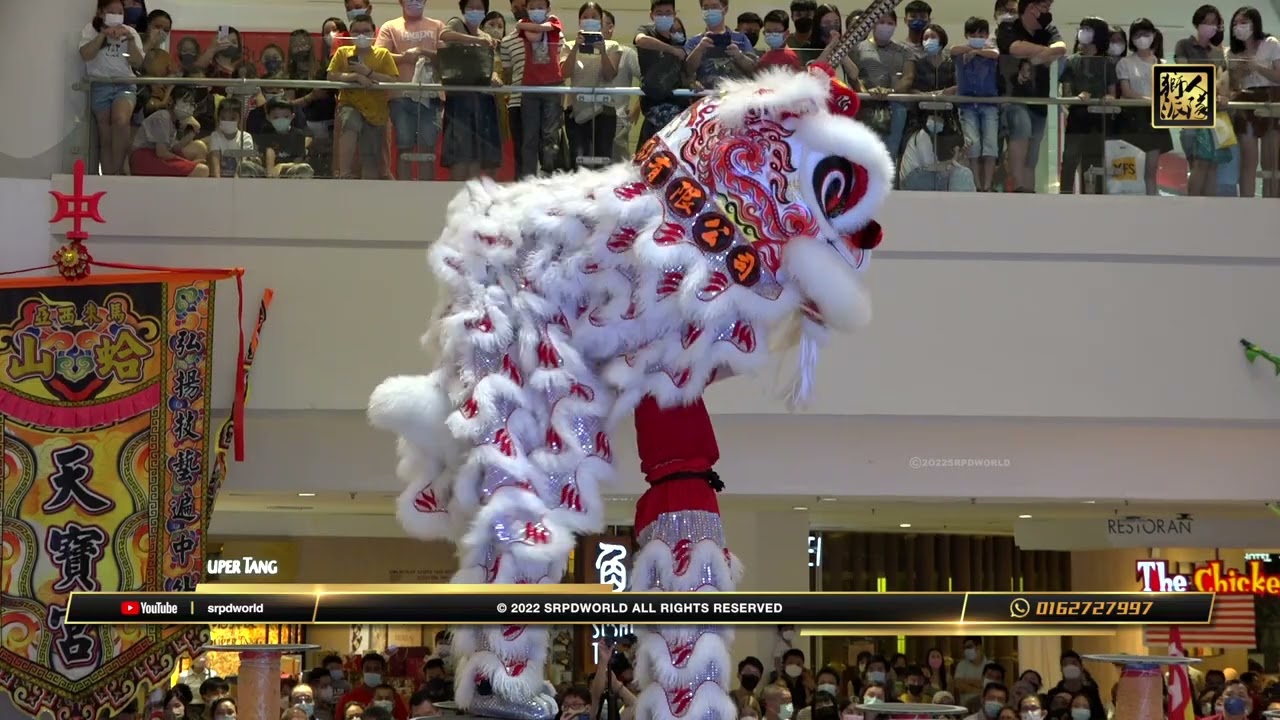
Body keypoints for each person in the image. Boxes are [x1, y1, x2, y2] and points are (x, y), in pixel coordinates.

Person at [996, 0, 1065, 192]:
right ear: (1031, 8)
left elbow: (1061, 48)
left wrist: (1031, 57)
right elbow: (1014, 48)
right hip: (1013, 98)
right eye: (1044, 7)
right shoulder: (1008, 27)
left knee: (1033, 150)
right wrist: (1043, 54)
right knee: (1021, 130)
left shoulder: (1049, 30)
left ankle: (1029, 189)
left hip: (1039, 99)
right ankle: (1017, 186)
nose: (1046, 12)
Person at [377, 0, 445, 181]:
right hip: (400, 96)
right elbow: (379, 57)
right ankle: (403, 192)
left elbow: (447, 58)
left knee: (427, 147)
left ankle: (425, 193)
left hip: (431, 96)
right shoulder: (390, 26)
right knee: (404, 146)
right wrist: (403, 57)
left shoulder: (437, 26)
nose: (414, 2)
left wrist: (424, 52)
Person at [439, 0, 504, 179]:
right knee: (460, 153)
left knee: (476, 153)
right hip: (459, 98)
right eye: (470, 7)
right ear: (463, 9)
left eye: (479, 8)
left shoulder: (487, 37)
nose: (475, 11)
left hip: (482, 99)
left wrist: (494, 77)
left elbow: (487, 67)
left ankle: (473, 201)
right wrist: (476, 40)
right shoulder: (457, 23)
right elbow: (444, 35)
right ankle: (456, 196)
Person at [328, 13, 398, 179]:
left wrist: (369, 73)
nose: (361, 35)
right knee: (350, 122)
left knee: (371, 153)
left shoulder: (383, 54)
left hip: (376, 112)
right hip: (350, 103)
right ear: (350, 34)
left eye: (366, 31)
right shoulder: (342, 52)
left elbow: (392, 79)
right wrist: (354, 76)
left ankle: (369, 186)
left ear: (374, 33)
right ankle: (344, 173)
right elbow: (331, 76)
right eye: (356, 31)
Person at [82, 0, 144, 176]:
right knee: (105, 133)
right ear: (101, 12)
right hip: (100, 85)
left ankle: (117, 170)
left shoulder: (130, 32)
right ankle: (109, 176)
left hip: (124, 84)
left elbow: (138, 62)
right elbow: (85, 54)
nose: (117, 15)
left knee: (120, 120)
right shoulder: (90, 30)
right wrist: (103, 35)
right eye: (111, 11)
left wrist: (130, 39)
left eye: (120, 11)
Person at [1174, 5, 1230, 196]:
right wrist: (1210, 85)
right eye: (1206, 22)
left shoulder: (1217, 53)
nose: (1210, 26)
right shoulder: (1183, 45)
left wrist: (1223, 94)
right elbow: (1183, 74)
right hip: (1191, 111)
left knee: (1213, 164)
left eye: (1214, 23)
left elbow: (1222, 80)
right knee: (1198, 162)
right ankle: (1193, 208)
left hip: (1214, 114)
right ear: (1197, 23)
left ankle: (1210, 210)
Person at [1115, 17, 1172, 195]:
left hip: (1155, 120)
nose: (1142, 38)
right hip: (1133, 118)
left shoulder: (1162, 64)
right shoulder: (1125, 63)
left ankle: (1152, 205)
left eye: (1146, 34)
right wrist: (1148, 100)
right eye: (1137, 34)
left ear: (1153, 35)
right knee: (1132, 170)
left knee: (1151, 170)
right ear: (1132, 39)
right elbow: (1126, 91)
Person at [560, 2, 620, 168]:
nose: (589, 20)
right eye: (585, 17)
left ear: (601, 21)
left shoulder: (612, 45)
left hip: (604, 109)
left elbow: (610, 75)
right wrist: (576, 48)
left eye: (594, 17)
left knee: (603, 160)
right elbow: (564, 73)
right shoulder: (569, 45)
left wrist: (602, 52)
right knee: (578, 160)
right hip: (575, 109)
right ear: (579, 21)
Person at [1228, 6, 1280, 197]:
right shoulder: (1232, 52)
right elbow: (1233, 86)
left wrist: (1256, 67)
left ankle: (1272, 202)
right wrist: (1239, 73)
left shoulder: (1271, 43)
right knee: (1249, 161)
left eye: (1243, 22)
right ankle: (1247, 204)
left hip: (1271, 100)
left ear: (1254, 23)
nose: (1239, 27)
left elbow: (1278, 76)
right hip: (1246, 101)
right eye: (1235, 23)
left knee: (1271, 161)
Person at [853, 8, 913, 162]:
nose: (885, 26)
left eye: (890, 23)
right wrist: (867, 92)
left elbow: (908, 77)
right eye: (881, 22)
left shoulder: (903, 51)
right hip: (866, 107)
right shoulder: (858, 48)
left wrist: (890, 91)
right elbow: (854, 76)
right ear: (873, 24)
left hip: (895, 109)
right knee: (864, 156)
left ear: (895, 25)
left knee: (889, 155)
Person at [515, 0, 564, 177]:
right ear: (526, 9)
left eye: (540, 7)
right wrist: (531, 25)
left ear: (548, 9)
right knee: (529, 135)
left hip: (552, 84)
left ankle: (549, 173)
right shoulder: (523, 24)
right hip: (530, 86)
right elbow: (533, 37)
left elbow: (548, 29)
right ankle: (528, 176)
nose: (536, 10)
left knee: (550, 133)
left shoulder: (554, 20)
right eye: (532, 7)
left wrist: (530, 25)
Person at [633, 0, 688, 148]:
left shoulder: (679, 37)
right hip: (654, 103)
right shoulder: (646, 31)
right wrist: (672, 50)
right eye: (659, 13)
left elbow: (684, 67)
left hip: (678, 103)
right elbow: (641, 41)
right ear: (651, 15)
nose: (664, 17)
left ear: (674, 14)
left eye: (668, 13)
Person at [130, 86, 209, 176]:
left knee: (199, 147)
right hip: (144, 158)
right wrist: (188, 163)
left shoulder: (173, 120)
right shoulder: (163, 117)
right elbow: (161, 153)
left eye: (192, 104)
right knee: (202, 170)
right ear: (171, 101)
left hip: (155, 155)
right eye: (185, 102)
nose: (189, 107)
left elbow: (174, 149)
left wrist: (193, 132)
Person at [683, 0, 757, 89]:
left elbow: (754, 70)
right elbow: (687, 71)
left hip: (736, 95)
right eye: (706, 8)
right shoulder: (693, 42)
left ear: (725, 9)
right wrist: (699, 49)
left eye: (714, 7)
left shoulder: (741, 39)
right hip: (705, 95)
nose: (710, 11)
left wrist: (739, 56)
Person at [337, 654, 408, 720]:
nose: (372, 672)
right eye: (367, 669)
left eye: (376, 669)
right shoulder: (348, 698)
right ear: (362, 671)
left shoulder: (393, 697)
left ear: (383, 671)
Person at [208, 97, 263, 178]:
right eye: (223, 118)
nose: (228, 121)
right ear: (218, 118)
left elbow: (243, 164)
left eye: (232, 118)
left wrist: (235, 185)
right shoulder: (215, 136)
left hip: (240, 180)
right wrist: (218, 185)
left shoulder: (245, 137)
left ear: (239, 119)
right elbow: (215, 161)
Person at [953, 638, 987, 709]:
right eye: (964, 648)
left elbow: (989, 685)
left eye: (969, 647)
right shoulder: (961, 665)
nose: (966, 650)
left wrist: (964, 681)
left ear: (979, 647)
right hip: (965, 709)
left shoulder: (990, 665)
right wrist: (980, 690)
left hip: (985, 708)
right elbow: (958, 686)